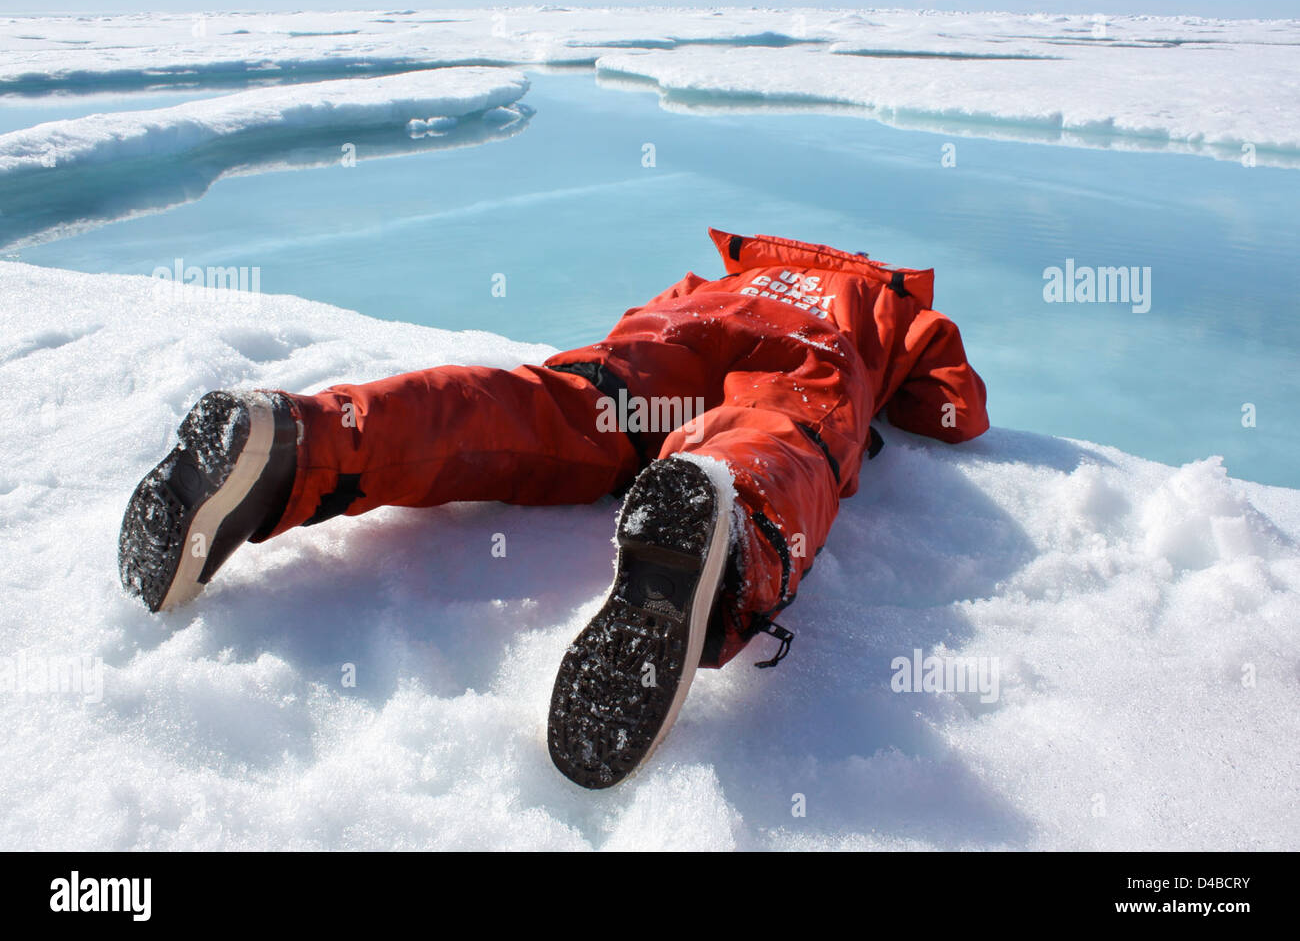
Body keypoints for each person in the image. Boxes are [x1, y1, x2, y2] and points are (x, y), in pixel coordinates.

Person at [118, 227, 989, 789]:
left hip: (666, 343)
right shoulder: (893, 302)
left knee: (544, 406)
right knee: (780, 427)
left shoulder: (717, 275)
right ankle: (722, 520)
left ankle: (306, 437)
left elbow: (638, 322)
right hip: (811, 350)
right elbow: (957, 413)